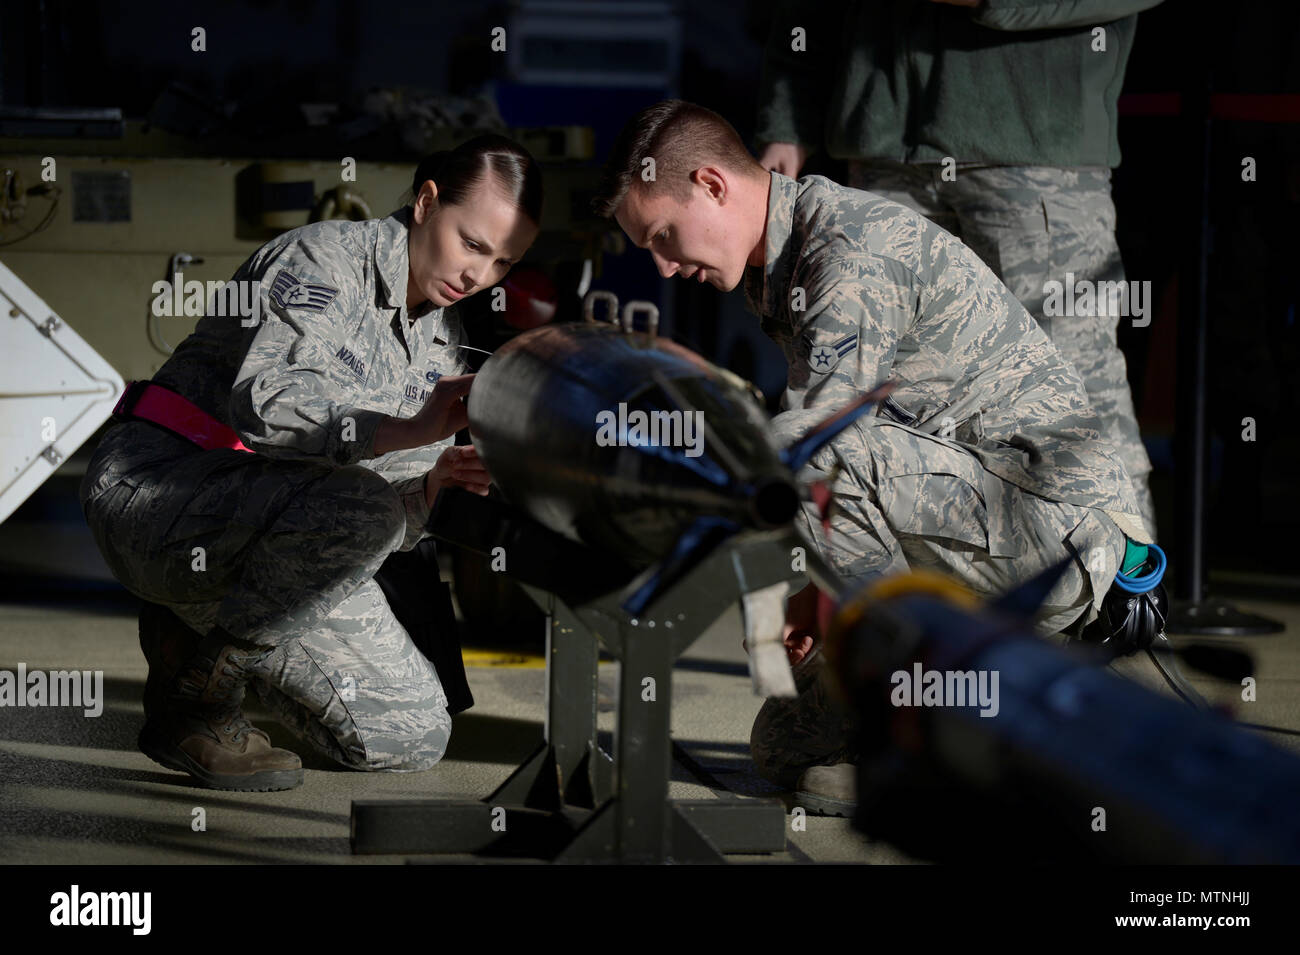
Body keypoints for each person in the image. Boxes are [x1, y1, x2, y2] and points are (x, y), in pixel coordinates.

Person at [592, 100, 1160, 815]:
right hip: (975, 516)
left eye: (664, 237)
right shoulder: (785, 261)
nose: (666, 268)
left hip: (1055, 536)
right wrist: (808, 587)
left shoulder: (849, 250)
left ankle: (923, 735)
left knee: (786, 445)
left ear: (712, 184)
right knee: (785, 744)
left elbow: (822, 447)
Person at [80, 135, 542, 791]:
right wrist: (409, 427)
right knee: (363, 508)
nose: (479, 275)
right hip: (163, 498)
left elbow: (370, 528)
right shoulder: (324, 261)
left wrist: (433, 486)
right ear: (427, 201)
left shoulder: (444, 342)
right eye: (472, 243)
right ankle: (200, 701)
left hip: (269, 551)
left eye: (504, 262)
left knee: (413, 733)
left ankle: (197, 636)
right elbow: (267, 408)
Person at [755, 0, 1164, 535]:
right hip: (884, 139)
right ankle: (912, 609)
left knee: (1077, 391)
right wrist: (789, 111)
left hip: (1035, 145)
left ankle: (1131, 601)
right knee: (889, 402)